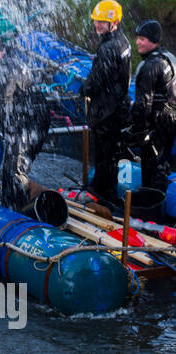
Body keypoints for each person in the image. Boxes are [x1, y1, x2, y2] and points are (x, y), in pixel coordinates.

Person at [0, 36, 52, 211]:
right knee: (9, 169)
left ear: (0, 52)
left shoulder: (8, 69)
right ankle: (9, 206)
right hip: (21, 122)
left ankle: (19, 211)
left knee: (16, 171)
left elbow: (1, 105)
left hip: (31, 124)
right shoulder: (3, 65)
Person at [81, 1, 131, 204]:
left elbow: (97, 79)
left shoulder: (109, 47)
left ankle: (102, 195)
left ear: (114, 22)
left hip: (106, 111)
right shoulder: (122, 41)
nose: (97, 25)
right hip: (116, 107)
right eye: (96, 21)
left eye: (102, 22)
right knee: (111, 155)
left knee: (104, 155)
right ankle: (105, 191)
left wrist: (83, 90)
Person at [128, 20, 176, 192]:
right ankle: (159, 200)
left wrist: (138, 131)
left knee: (151, 167)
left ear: (153, 39)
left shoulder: (150, 66)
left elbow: (143, 105)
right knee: (163, 164)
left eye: (142, 39)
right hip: (170, 120)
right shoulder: (169, 57)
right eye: (137, 38)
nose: (137, 42)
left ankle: (150, 206)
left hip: (156, 124)